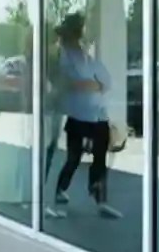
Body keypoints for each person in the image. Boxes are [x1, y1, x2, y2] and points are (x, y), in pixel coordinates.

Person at [48, 12, 123, 219]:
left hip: (97, 114)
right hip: (78, 114)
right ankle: (59, 190)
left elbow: (105, 81)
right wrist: (91, 84)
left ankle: (100, 199)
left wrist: (93, 85)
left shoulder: (86, 55)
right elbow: (71, 82)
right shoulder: (63, 55)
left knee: (100, 157)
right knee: (74, 156)